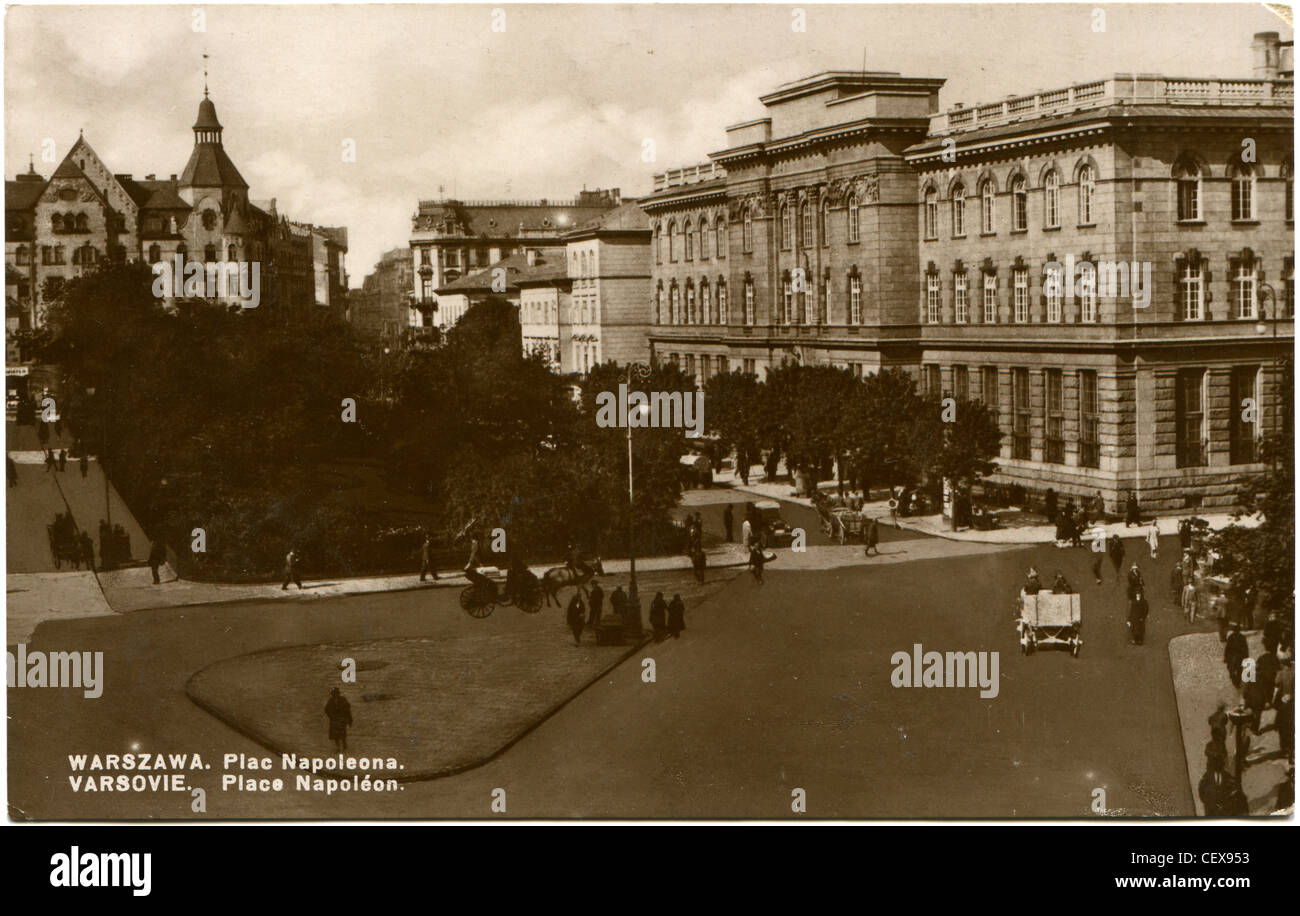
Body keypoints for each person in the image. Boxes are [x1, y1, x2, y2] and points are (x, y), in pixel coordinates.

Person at [1274, 648, 1294, 765]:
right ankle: (1291, 750)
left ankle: (1284, 748)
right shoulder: (1295, 671)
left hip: (1284, 702)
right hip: (1293, 702)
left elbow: (1276, 685)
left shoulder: (1281, 673)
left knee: (1282, 726)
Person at [324, 688, 352, 753]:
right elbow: (326, 709)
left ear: (338, 694)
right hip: (334, 720)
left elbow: (348, 709)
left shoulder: (343, 700)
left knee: (343, 734)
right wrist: (331, 716)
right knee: (335, 735)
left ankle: (344, 746)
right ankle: (338, 747)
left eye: (336, 694)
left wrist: (349, 719)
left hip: (342, 719)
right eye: (334, 694)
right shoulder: (331, 701)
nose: (335, 695)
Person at [1224, 623, 1249, 690]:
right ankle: (1237, 681)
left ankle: (1236, 681)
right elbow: (1245, 648)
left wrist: (1226, 657)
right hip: (1237, 656)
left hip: (1234, 656)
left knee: (1233, 669)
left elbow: (1227, 648)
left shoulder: (1231, 637)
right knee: (1238, 669)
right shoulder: (1240, 637)